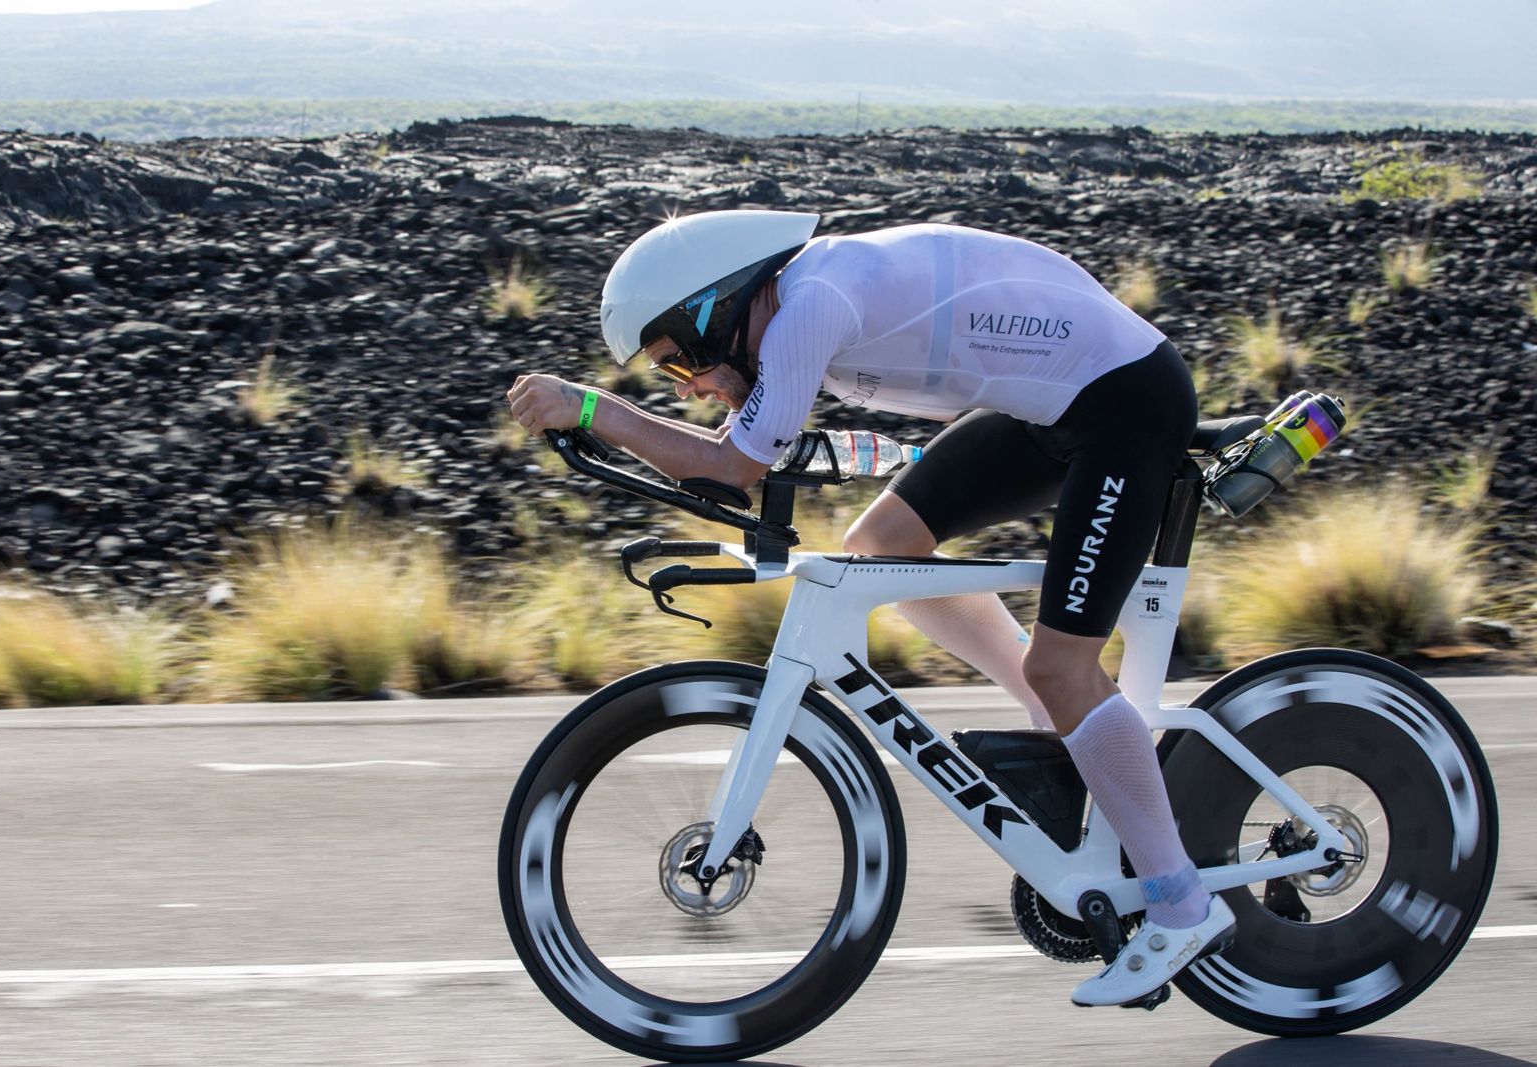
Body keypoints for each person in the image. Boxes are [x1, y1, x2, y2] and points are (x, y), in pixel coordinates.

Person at [504, 209, 1235, 1007]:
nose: (696, 386)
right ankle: (1063, 726)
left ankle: (1179, 904)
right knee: (882, 542)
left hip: (1123, 404)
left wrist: (588, 409)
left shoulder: (809, 305)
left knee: (1064, 664)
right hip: (1051, 406)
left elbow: (729, 466)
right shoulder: (798, 302)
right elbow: (747, 443)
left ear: (713, 309)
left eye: (680, 365)